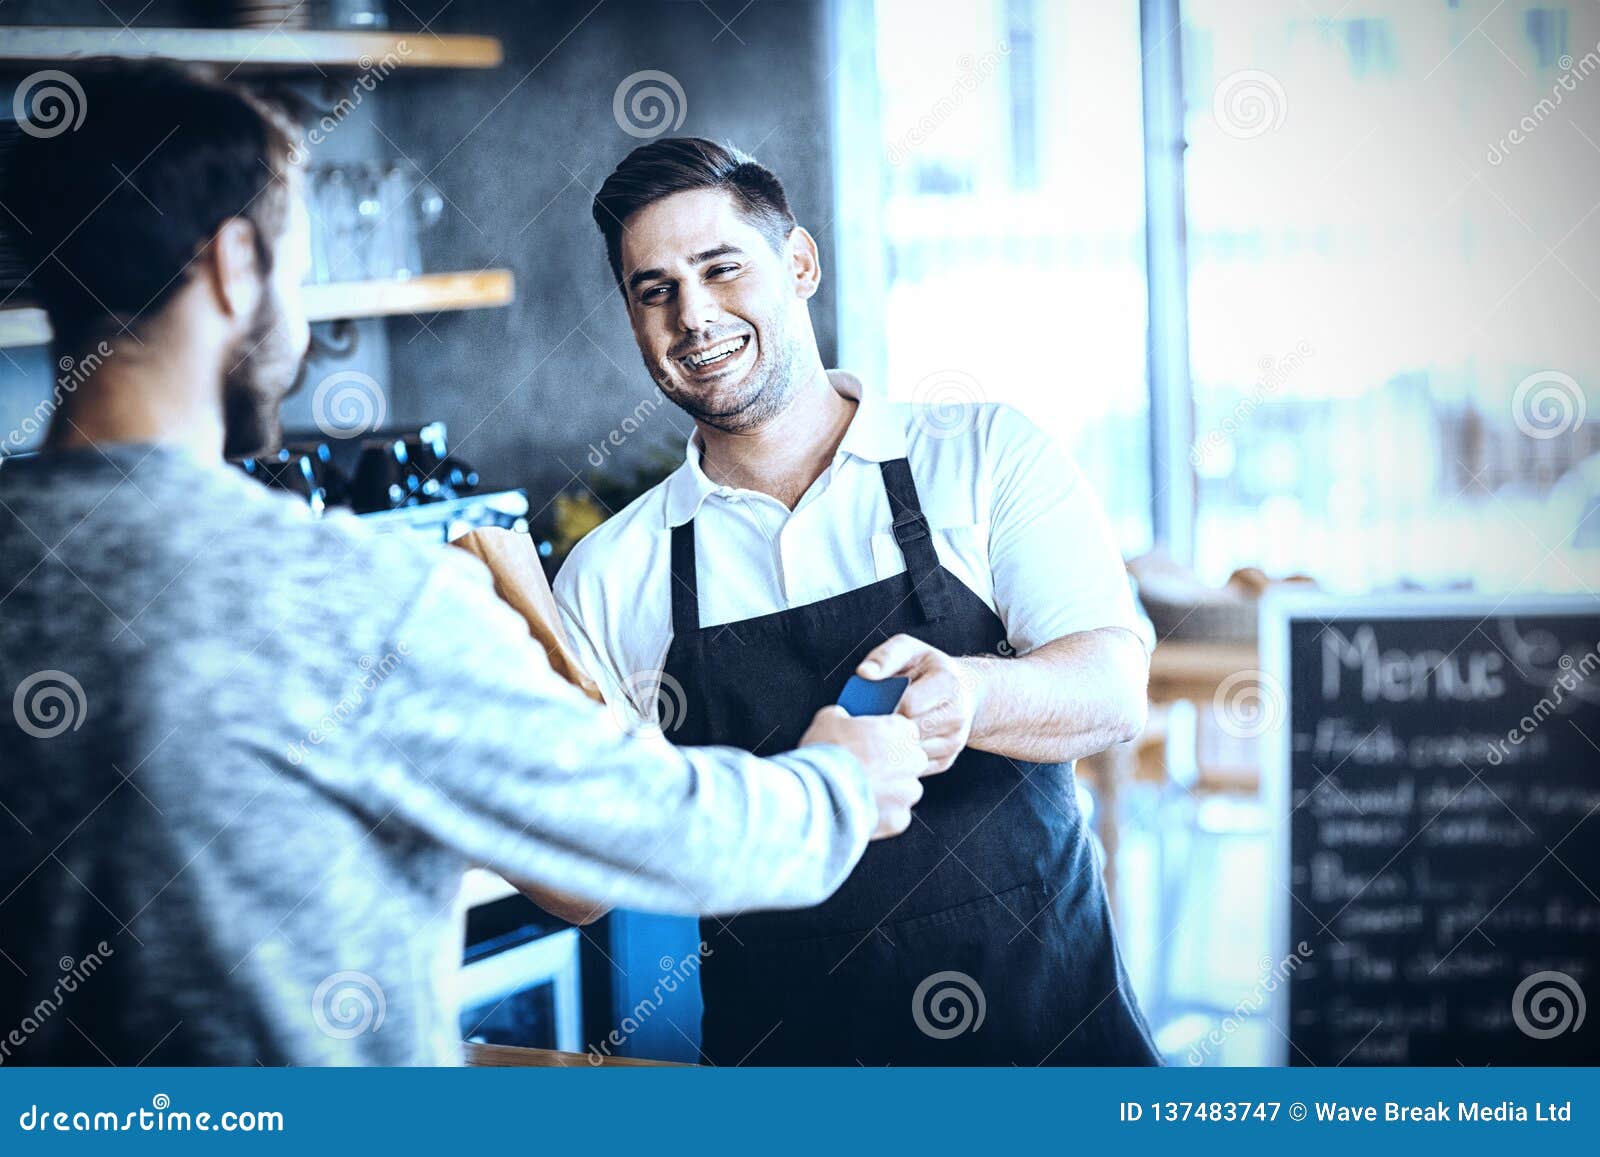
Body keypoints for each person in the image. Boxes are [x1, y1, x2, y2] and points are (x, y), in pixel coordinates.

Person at [0, 64, 929, 1067]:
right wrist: (838, 780)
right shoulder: (346, 596)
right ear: (234, 266)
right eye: (299, 267)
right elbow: (663, 828)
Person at [555, 138, 1163, 1065]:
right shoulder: (610, 575)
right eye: (655, 290)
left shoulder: (984, 455)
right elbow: (575, 887)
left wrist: (973, 694)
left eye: (722, 268)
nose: (694, 315)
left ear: (799, 264)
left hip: (1053, 1047)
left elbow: (1115, 690)